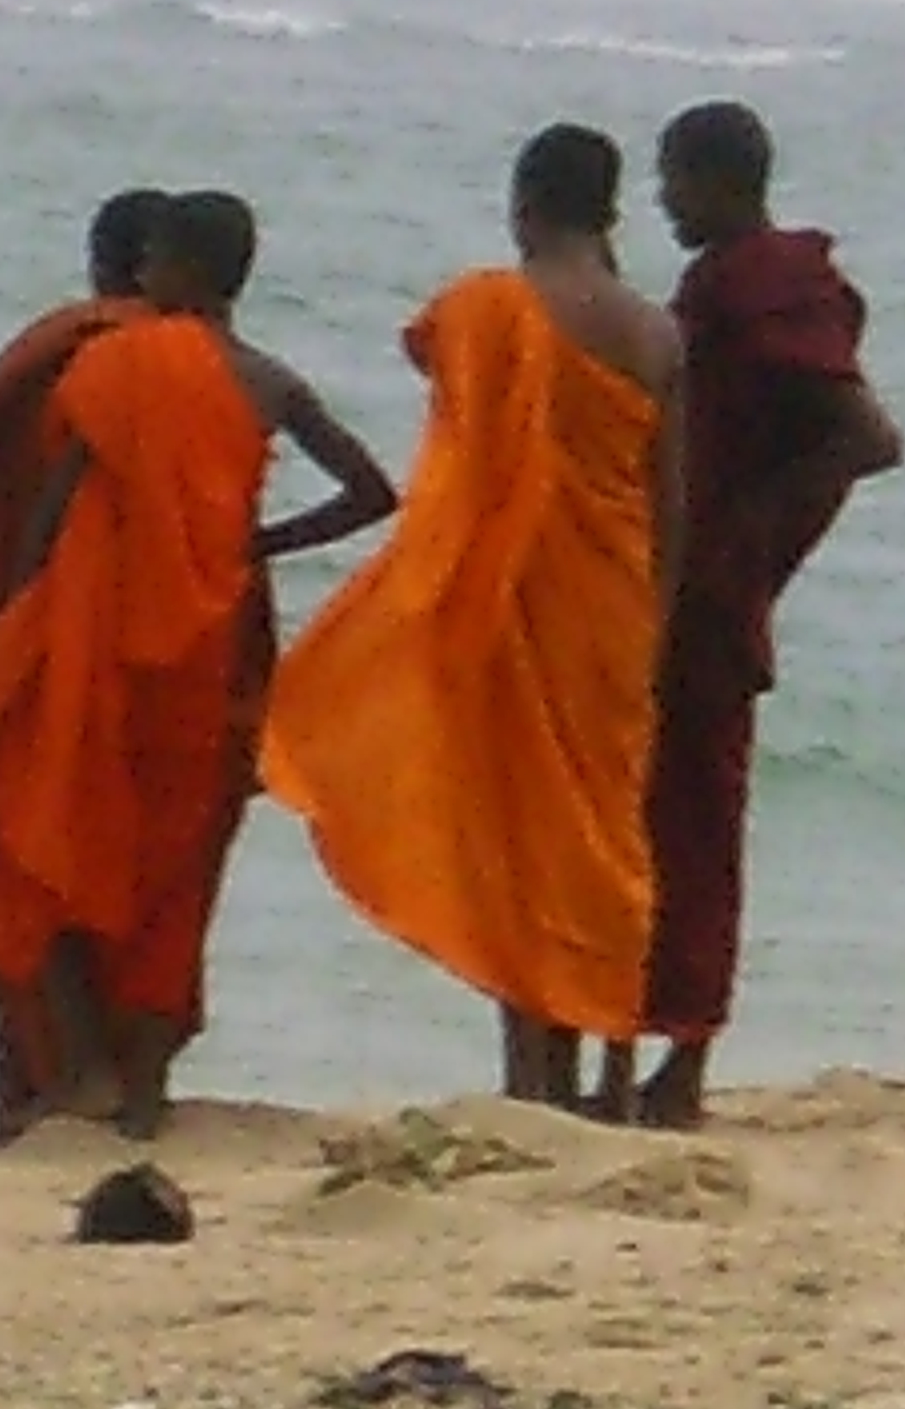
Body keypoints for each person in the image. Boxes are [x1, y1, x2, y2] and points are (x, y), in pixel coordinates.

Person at [0, 191, 394, 1143]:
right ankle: (139, 1093)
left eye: (155, 261)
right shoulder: (267, 378)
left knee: (30, 832)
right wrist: (255, 544)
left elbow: (59, 504)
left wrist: (16, 616)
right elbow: (372, 492)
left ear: (182, 269)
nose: (142, 278)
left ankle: (83, 1066)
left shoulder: (120, 364)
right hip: (209, 656)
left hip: (98, 643)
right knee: (171, 877)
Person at [262, 124, 682, 1110]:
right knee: (605, 836)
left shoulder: (488, 306)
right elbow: (671, 499)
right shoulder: (656, 332)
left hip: (511, 596)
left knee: (515, 839)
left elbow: (428, 356)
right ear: (611, 211)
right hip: (616, 606)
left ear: (523, 204)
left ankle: (533, 1074)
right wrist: (661, 620)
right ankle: (615, 1068)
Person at [601, 101, 902, 1132]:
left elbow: (868, 437)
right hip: (690, 583)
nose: (663, 201)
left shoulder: (759, 284)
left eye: (673, 180)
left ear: (721, 181)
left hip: (709, 593)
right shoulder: (728, 281)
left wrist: (752, 528)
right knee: (654, 818)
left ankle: (680, 1065)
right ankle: (635, 1056)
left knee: (690, 826)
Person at [0, 185, 167, 1141]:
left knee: (17, 862)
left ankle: (28, 1108)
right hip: (146, 657)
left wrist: (7, 615)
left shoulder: (56, 355)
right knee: (129, 877)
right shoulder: (158, 364)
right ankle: (120, 1091)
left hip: (37, 642)